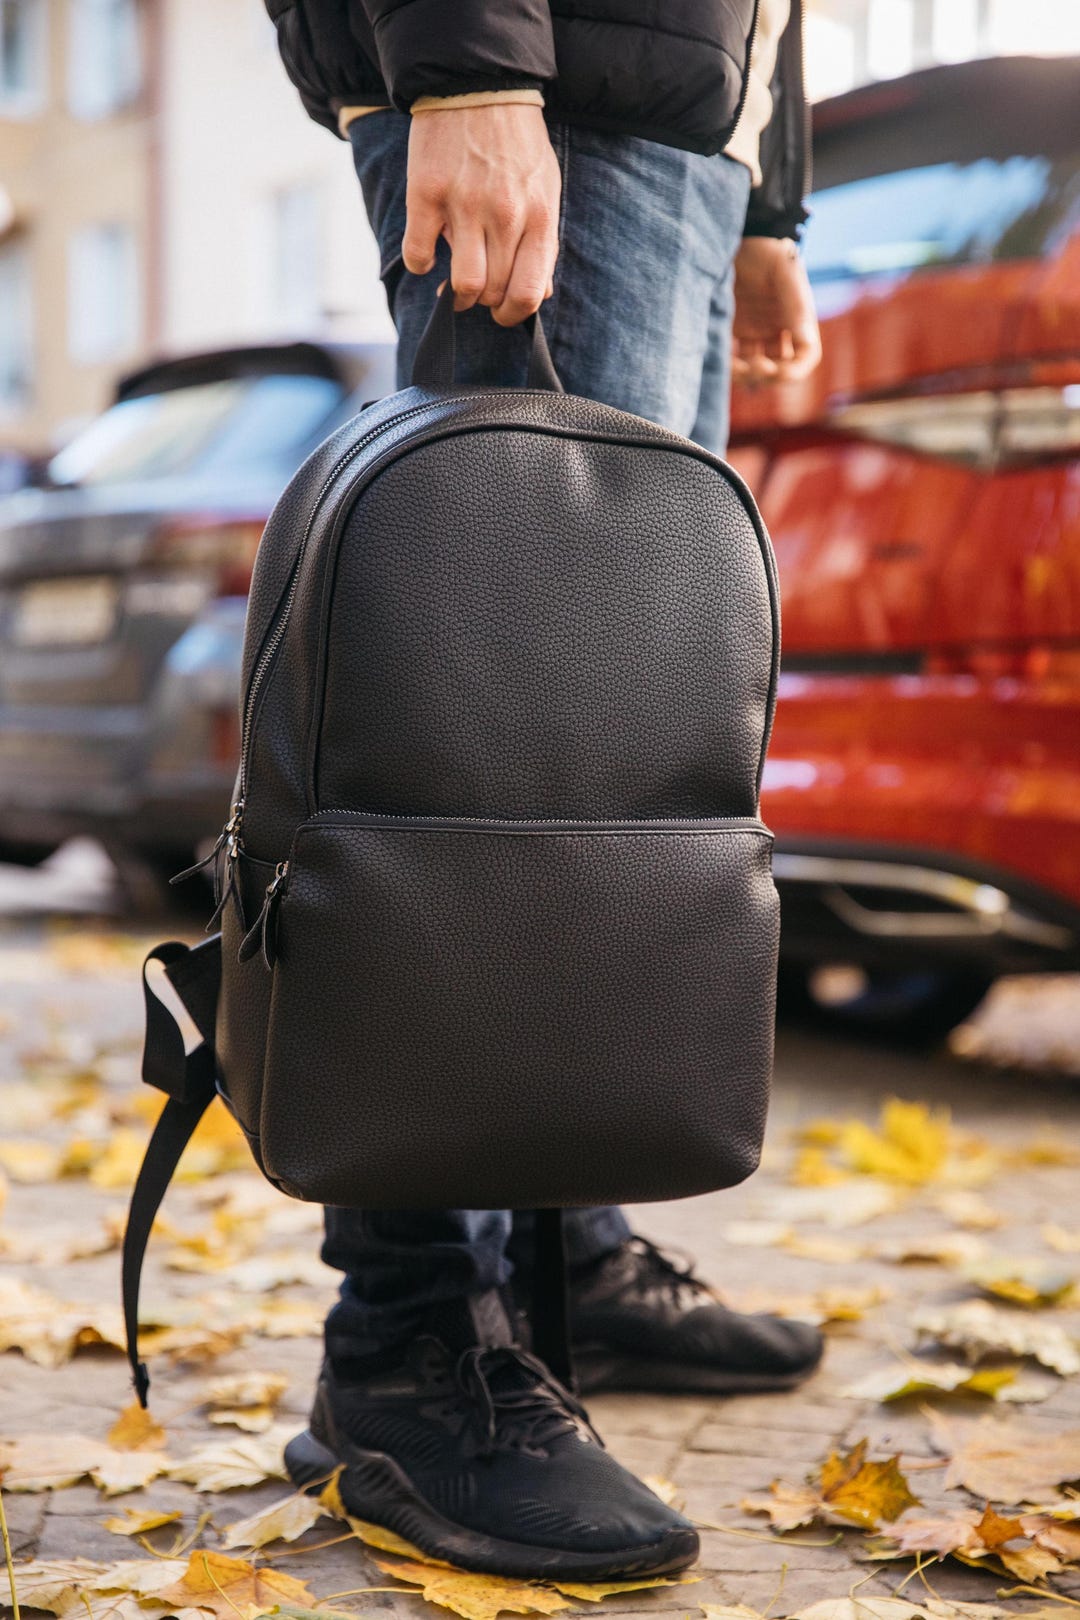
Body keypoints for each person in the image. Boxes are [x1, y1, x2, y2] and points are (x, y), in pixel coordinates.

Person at [267, 0, 824, 1582]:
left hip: (680, 123)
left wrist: (768, 197)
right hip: (544, 72)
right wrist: (467, 63)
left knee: (614, 763)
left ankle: (561, 1250)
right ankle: (407, 1339)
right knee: (498, 750)